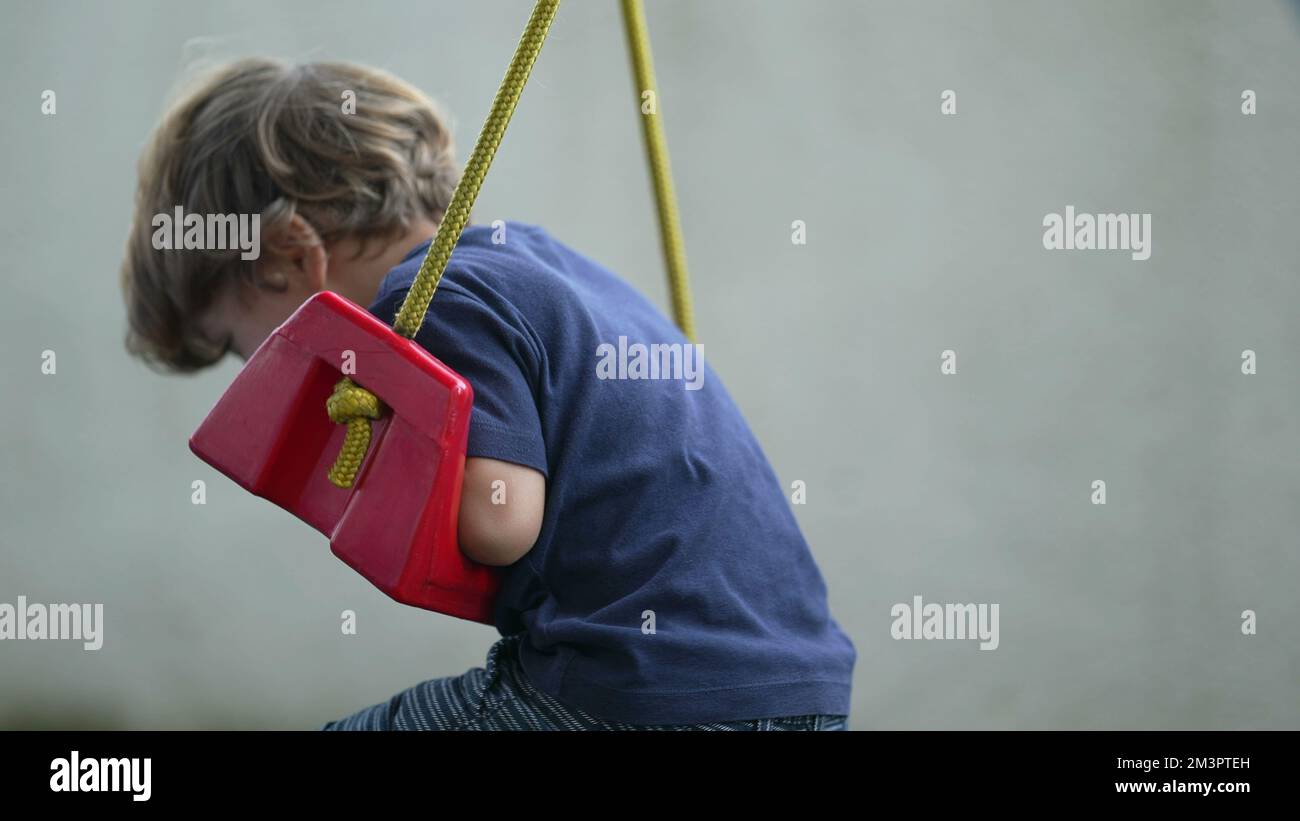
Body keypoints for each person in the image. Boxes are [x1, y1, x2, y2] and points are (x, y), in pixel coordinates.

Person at [120, 58, 855, 730]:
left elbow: (502, 518)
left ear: (290, 256)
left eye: (242, 346)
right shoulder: (534, 259)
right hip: (793, 687)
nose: (260, 372)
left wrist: (394, 459)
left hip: (633, 688)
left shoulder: (435, 297)